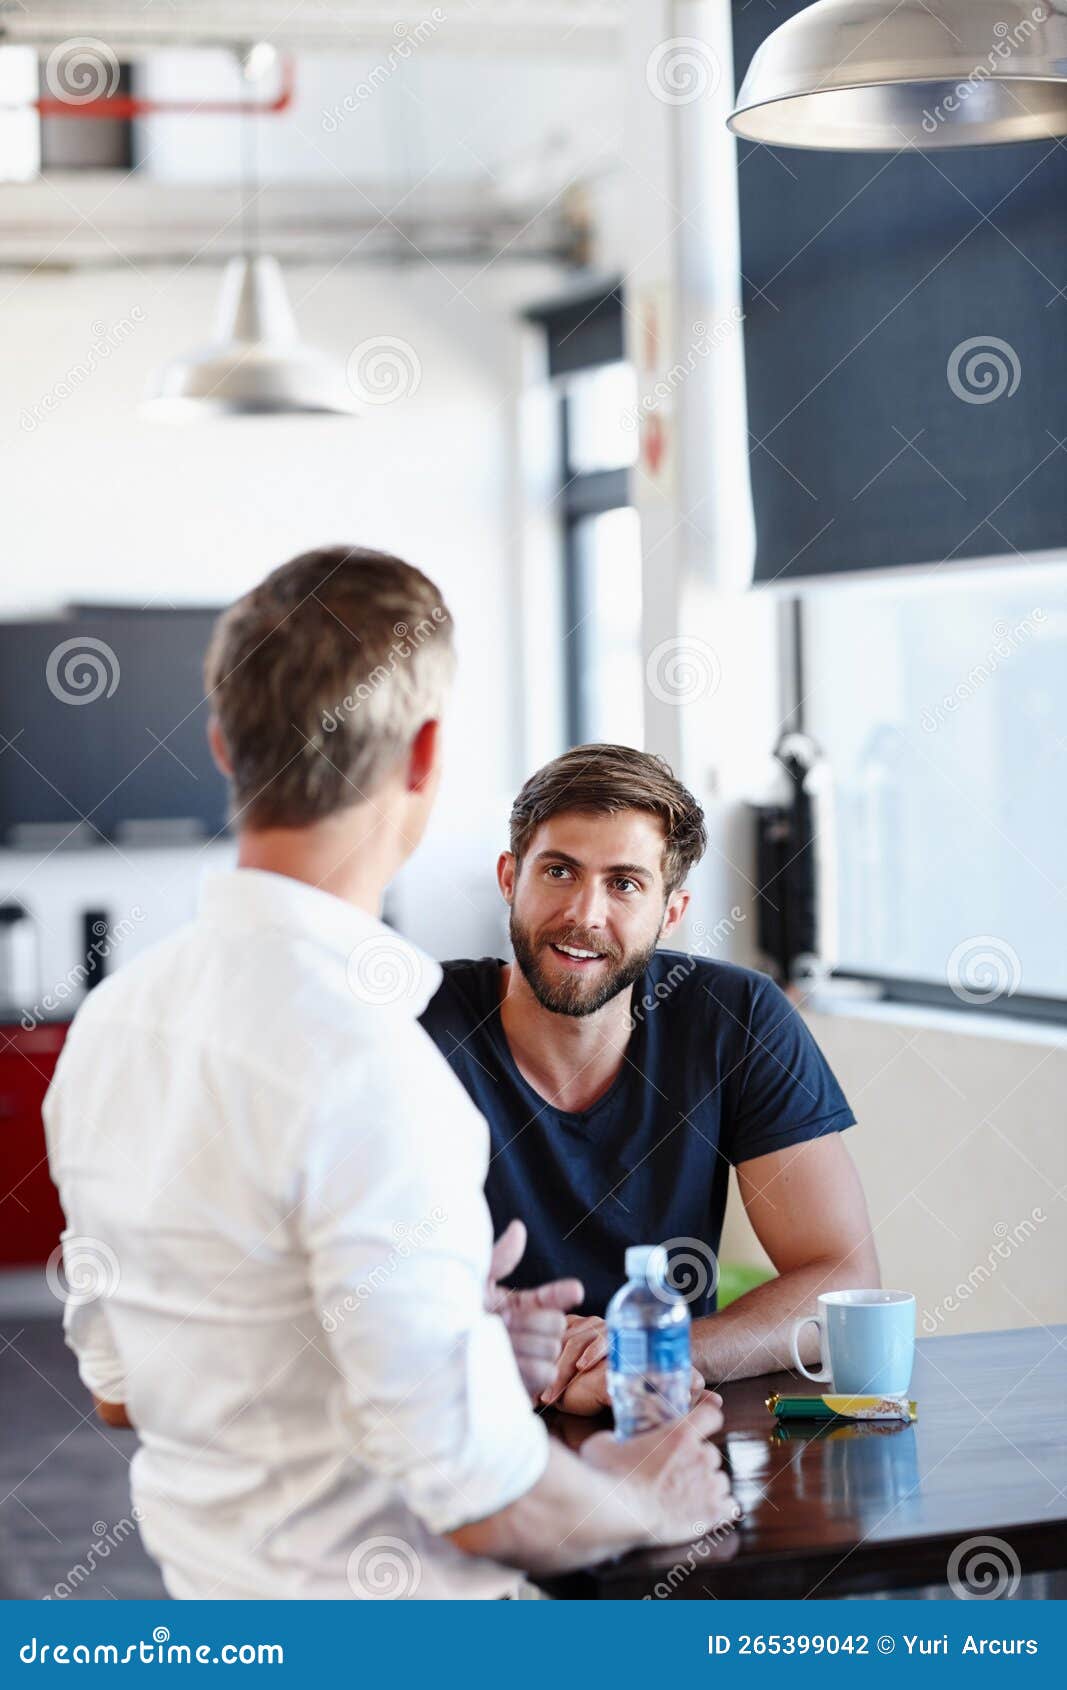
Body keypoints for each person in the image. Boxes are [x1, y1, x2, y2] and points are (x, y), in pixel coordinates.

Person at [44, 548, 734, 1601]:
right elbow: (492, 1503)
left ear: (224, 745)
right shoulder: (373, 1067)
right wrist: (644, 1496)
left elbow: (131, 1388)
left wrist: (436, 1331)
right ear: (423, 755)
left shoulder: (110, 1028)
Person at [420, 743, 880, 1418]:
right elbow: (338, 1290)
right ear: (508, 877)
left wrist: (655, 1356)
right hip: (456, 1426)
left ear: (670, 912)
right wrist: (512, 1351)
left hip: (668, 1423)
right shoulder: (412, 1027)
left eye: (624, 883)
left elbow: (841, 1278)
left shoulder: (737, 1017)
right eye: (558, 871)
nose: (584, 913)